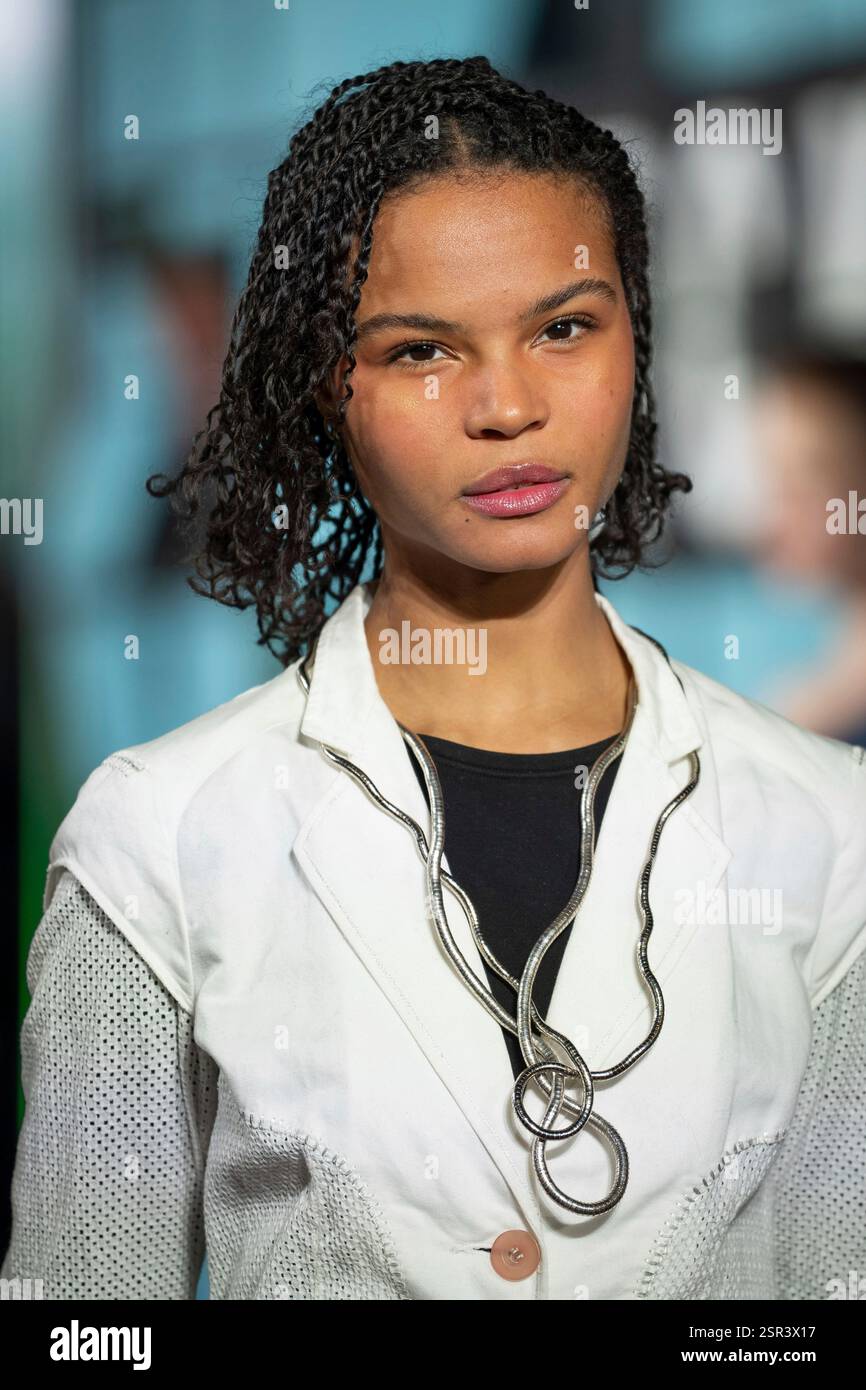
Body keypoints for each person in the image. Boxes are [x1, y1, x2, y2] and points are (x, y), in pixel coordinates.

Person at [3, 55, 864, 1302]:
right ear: (324, 387)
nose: (507, 405)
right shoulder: (160, 839)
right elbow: (78, 1332)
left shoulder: (826, 831)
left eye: (564, 326)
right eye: (420, 351)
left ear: (639, 337)